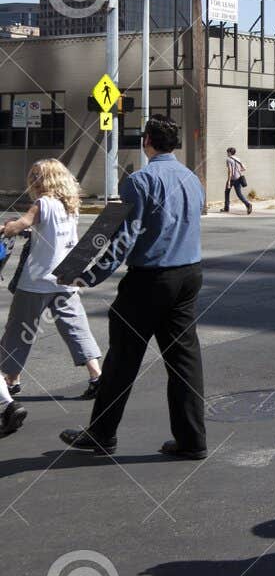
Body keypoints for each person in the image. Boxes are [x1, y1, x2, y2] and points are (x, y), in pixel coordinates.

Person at [59, 117, 208, 460]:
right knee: (184, 361)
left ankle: (101, 435)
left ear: (147, 142)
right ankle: (192, 441)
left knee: (122, 360)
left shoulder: (139, 182)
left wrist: (84, 275)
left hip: (150, 280)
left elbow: (120, 238)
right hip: (188, 275)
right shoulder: (191, 178)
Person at [1, 160, 103, 408]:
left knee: (19, 331)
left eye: (36, 176)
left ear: (44, 179)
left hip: (36, 281)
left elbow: (22, 224)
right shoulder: (71, 205)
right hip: (66, 278)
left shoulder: (42, 204)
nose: (33, 180)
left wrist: (6, 227)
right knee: (75, 327)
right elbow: (52, 235)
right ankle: (97, 376)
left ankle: (11, 381)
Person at [223, 148, 253, 214]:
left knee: (227, 192)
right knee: (239, 194)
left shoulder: (229, 159)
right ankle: (248, 204)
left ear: (230, 153)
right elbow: (244, 168)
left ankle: (226, 208)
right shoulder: (237, 159)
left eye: (227, 152)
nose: (227, 153)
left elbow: (230, 171)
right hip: (238, 178)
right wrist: (238, 171)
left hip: (232, 179)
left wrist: (228, 181)